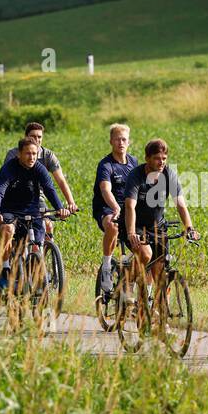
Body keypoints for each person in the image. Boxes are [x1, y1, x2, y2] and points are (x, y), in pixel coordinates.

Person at [123, 138, 198, 320]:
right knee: (146, 254)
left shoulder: (168, 175)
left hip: (158, 227)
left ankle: (160, 323)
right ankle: (127, 280)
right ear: (147, 158)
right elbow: (130, 206)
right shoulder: (136, 175)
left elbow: (180, 204)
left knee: (160, 276)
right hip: (136, 226)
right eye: (157, 158)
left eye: (164, 158)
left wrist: (189, 228)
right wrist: (132, 232)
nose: (161, 162)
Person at [0, 136, 69, 291]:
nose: (31, 157)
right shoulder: (9, 168)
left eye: (34, 154)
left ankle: (35, 276)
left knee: (37, 244)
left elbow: (49, 188)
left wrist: (60, 207)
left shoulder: (39, 168)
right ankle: (5, 269)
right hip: (10, 210)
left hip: (32, 210)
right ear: (19, 154)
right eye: (28, 153)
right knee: (8, 230)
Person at [3, 122, 78, 235]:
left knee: (47, 225)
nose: (36, 139)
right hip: (15, 198)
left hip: (38, 198)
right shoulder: (14, 154)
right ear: (26, 137)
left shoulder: (48, 156)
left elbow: (61, 180)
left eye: (39, 137)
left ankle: (41, 252)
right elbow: (5, 180)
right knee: (11, 230)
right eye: (33, 136)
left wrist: (71, 202)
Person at [92, 123, 138, 297]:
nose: (121, 142)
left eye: (124, 139)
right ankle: (106, 266)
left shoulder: (133, 162)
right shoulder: (106, 165)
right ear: (111, 141)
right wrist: (116, 207)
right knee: (112, 225)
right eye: (117, 139)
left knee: (146, 249)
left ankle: (130, 284)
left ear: (129, 142)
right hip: (106, 206)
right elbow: (105, 190)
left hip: (128, 208)